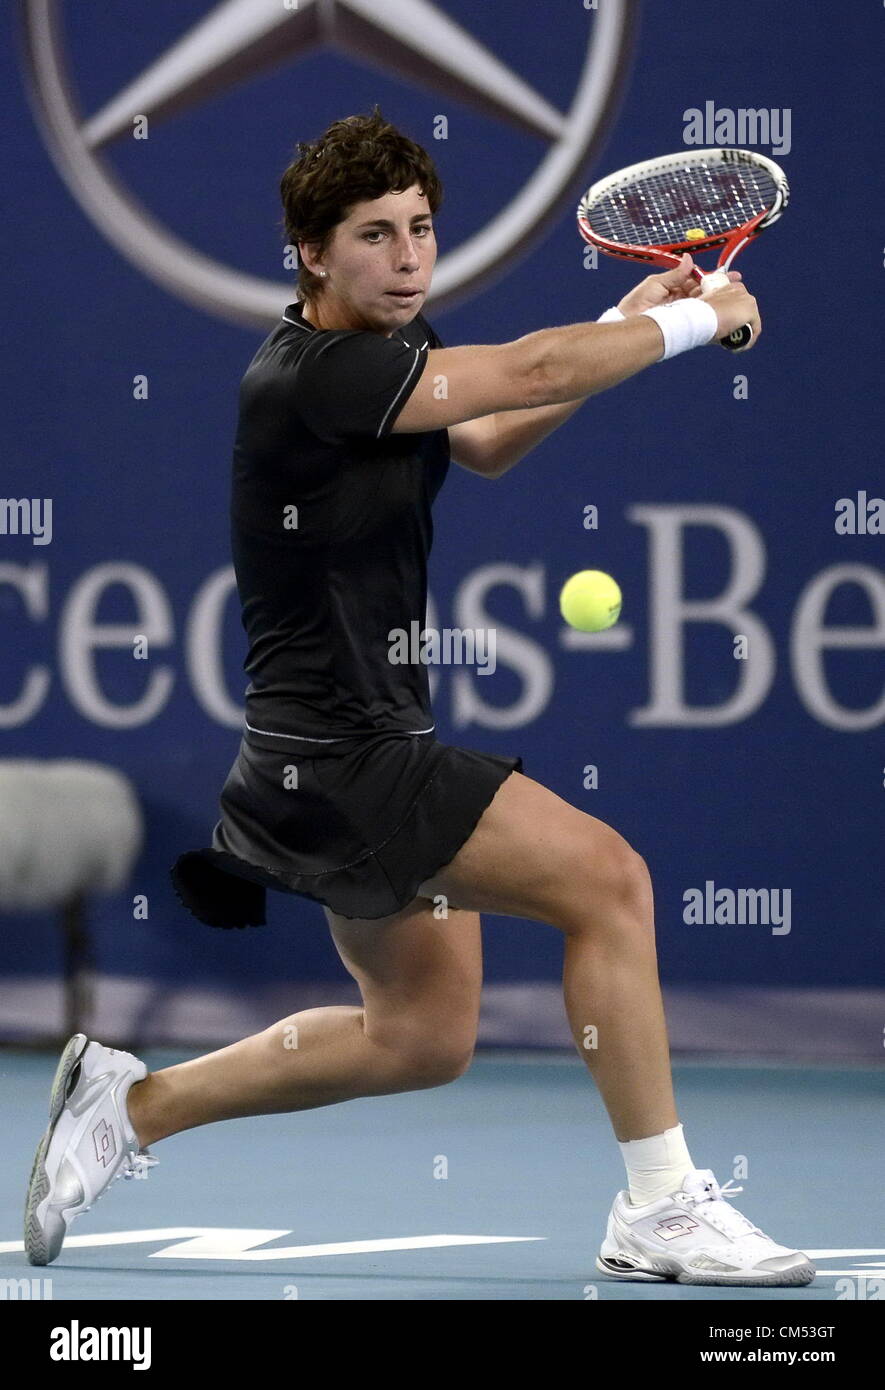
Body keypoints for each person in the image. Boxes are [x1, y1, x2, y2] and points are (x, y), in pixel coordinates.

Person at [25, 107, 813, 1286]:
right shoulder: (317, 376)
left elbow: (490, 430)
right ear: (311, 251)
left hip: (329, 754)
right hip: (349, 757)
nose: (408, 260)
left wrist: (619, 324)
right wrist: (701, 319)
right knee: (612, 882)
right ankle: (661, 1204)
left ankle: (132, 1107)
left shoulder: (380, 346)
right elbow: (530, 369)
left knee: (420, 1037)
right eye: (376, 236)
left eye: (422, 231)